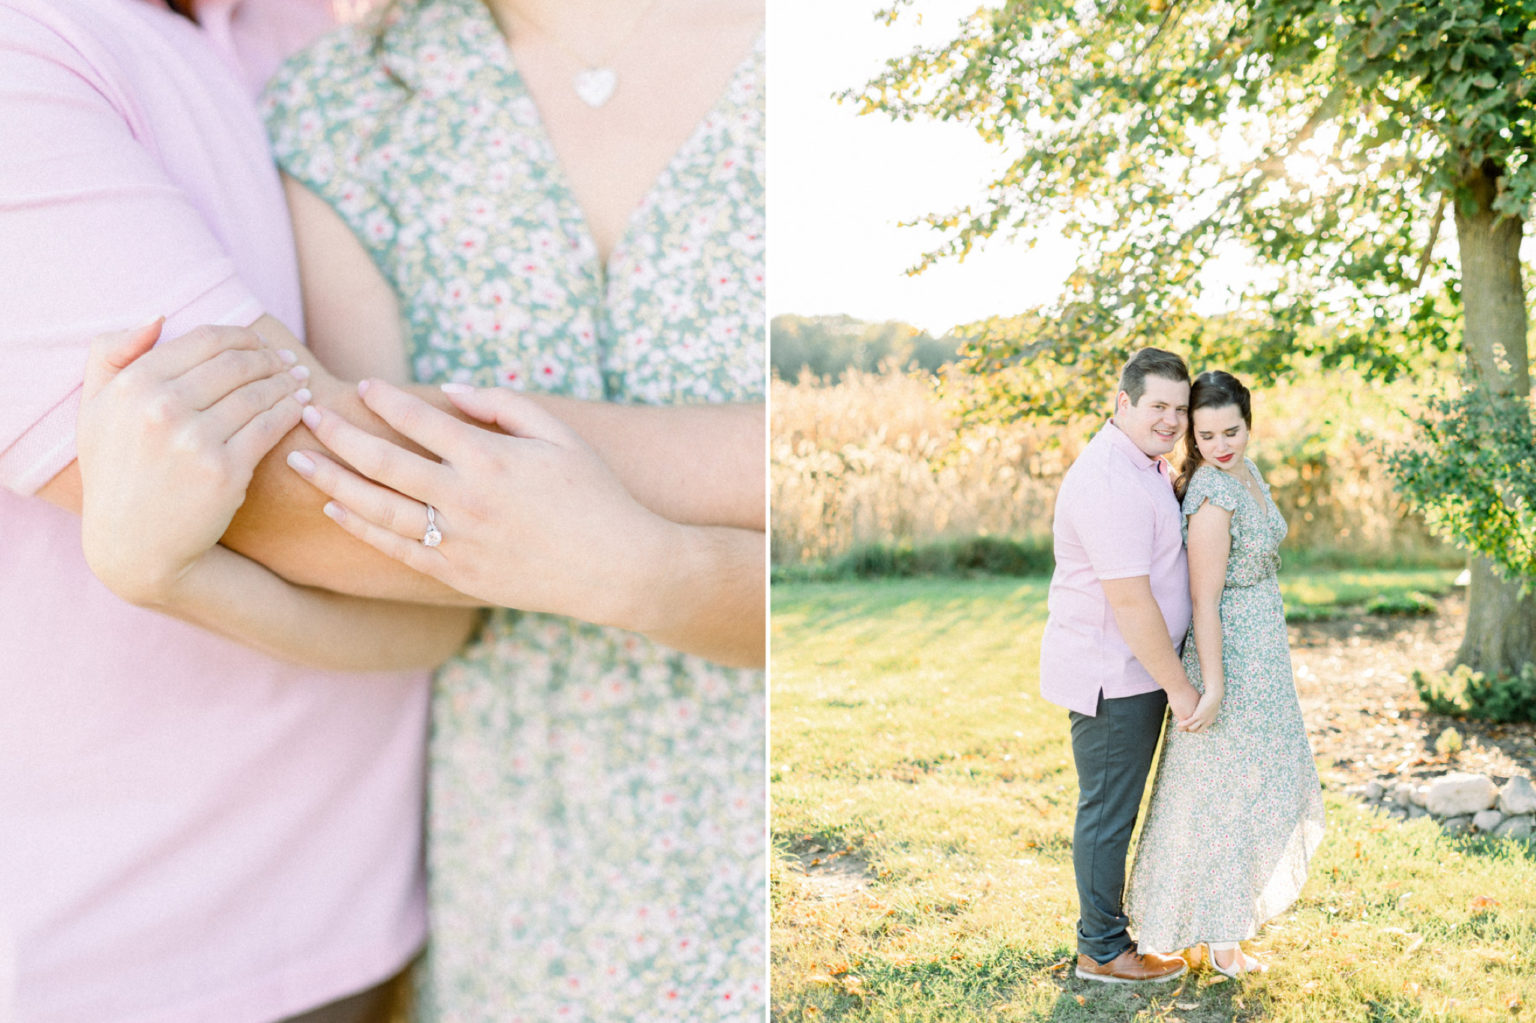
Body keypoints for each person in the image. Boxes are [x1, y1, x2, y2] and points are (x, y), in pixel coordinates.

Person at [2, 0, 763, 1020]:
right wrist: (171, 575)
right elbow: (338, 497)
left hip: (374, 929)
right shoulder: (348, 98)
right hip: (473, 912)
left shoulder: (292, 34)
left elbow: (431, 564)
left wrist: (649, 556)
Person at [1124, 370, 1326, 977]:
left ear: (1248, 423)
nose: (1220, 445)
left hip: (1264, 650)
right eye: (1206, 435)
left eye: (1230, 431)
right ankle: (1218, 935)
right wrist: (1211, 686)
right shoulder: (1213, 493)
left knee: (1258, 785)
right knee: (1219, 796)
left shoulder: (1247, 472)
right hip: (1230, 654)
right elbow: (1204, 600)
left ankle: (1225, 924)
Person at [1038, 347, 1201, 985]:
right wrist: (1181, 687)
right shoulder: (1109, 478)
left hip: (1140, 670)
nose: (1170, 420)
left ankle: (1116, 933)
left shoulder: (1146, 464)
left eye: (1180, 409)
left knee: (1120, 810)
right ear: (1123, 403)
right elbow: (1130, 602)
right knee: (1109, 813)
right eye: (1157, 405)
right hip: (1116, 674)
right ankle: (1102, 950)